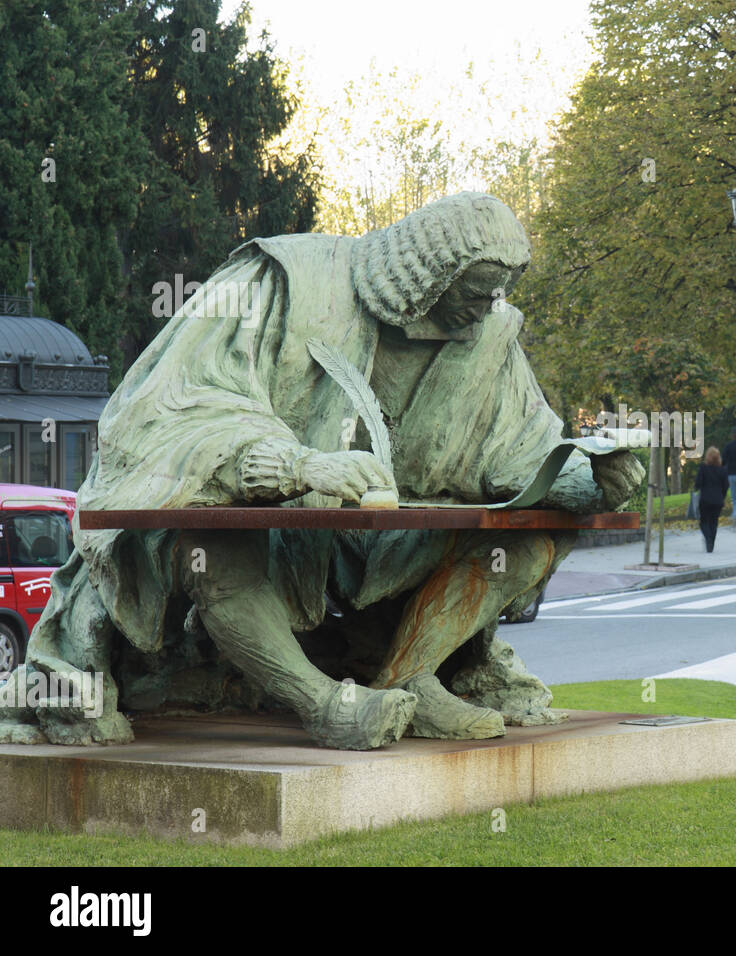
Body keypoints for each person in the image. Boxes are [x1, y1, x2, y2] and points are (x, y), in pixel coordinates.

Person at [0, 192, 644, 751]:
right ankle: (325, 705)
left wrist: (589, 479)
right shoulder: (282, 280)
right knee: (210, 543)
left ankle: (407, 678)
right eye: (475, 293)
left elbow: (523, 451)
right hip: (274, 524)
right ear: (430, 273)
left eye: (496, 295)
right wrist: (298, 464)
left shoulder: (488, 338)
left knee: (533, 535)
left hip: (391, 540)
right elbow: (174, 400)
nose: (485, 310)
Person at [694, 447, 729, 553]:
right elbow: (726, 485)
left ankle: (708, 538)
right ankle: (711, 542)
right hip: (718, 500)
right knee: (714, 522)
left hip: (705, 499)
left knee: (703, 521)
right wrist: (722, 496)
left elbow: (698, 484)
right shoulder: (722, 470)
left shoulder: (703, 468)